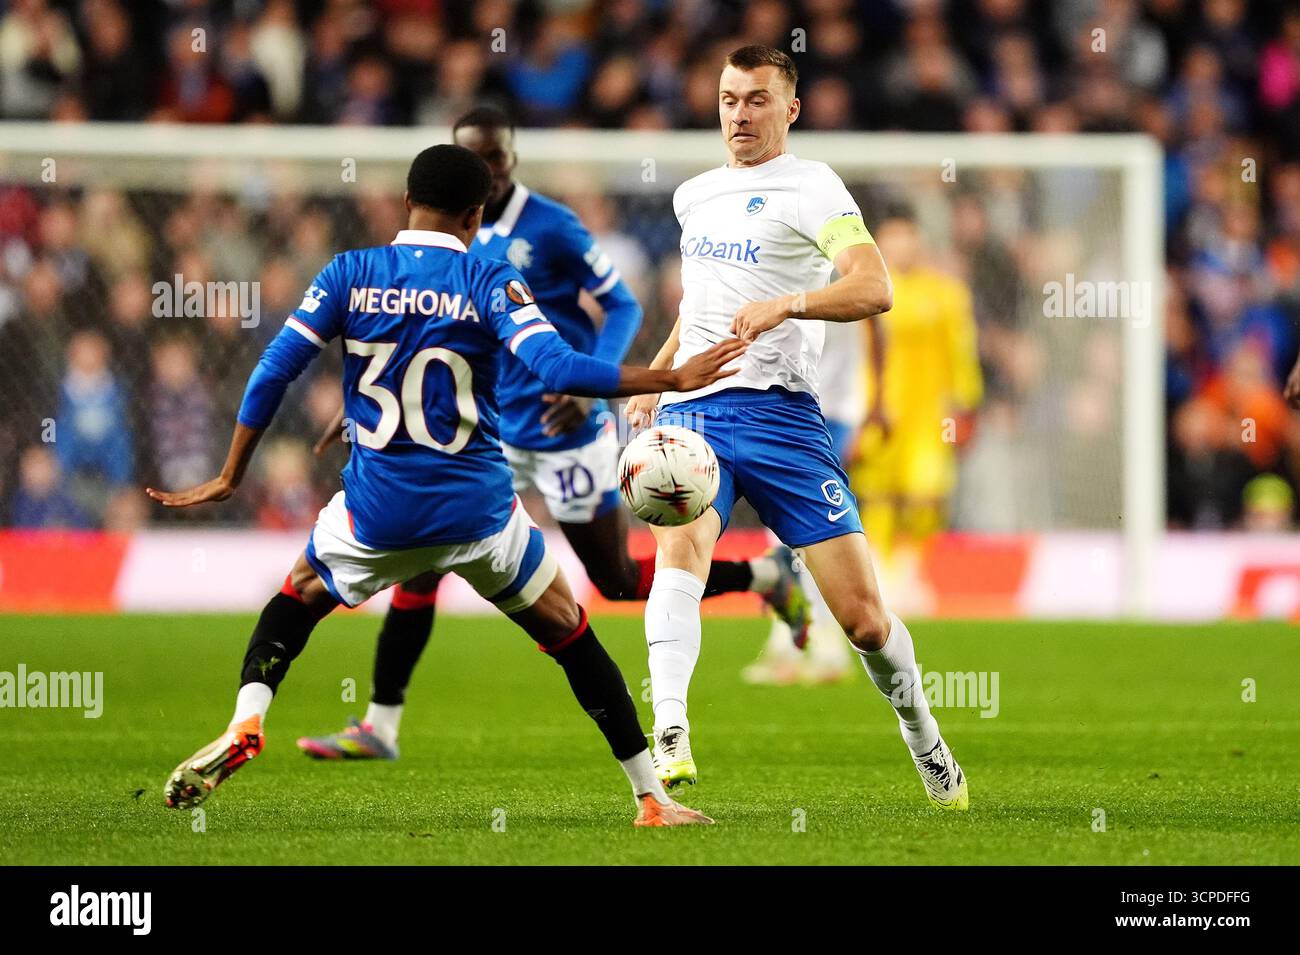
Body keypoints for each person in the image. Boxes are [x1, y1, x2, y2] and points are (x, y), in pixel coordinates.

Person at [148, 144, 745, 826]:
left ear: (407, 202)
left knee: (295, 598)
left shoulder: (350, 272)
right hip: (480, 515)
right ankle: (650, 797)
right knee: (572, 634)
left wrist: (231, 473)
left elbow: (273, 371)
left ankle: (248, 719)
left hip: (376, 516)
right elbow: (556, 367)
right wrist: (669, 377)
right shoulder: (490, 280)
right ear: (476, 214)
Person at [298, 106, 808, 762]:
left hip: (566, 430)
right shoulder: (445, 232)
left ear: (511, 157)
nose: (488, 170)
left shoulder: (552, 227)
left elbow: (622, 302)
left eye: (497, 158)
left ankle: (761, 575)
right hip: (484, 432)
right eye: (475, 159)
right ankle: (380, 723)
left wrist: (583, 384)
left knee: (616, 580)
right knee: (422, 565)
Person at [624, 45, 968, 809]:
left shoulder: (813, 187)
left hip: (784, 417)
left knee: (866, 622)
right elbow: (699, 302)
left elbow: (873, 287)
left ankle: (925, 737)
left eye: (755, 100)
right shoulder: (695, 196)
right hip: (697, 411)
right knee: (682, 547)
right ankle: (670, 729)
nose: (738, 115)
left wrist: (790, 304)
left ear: (791, 109)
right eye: (727, 99)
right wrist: (655, 374)